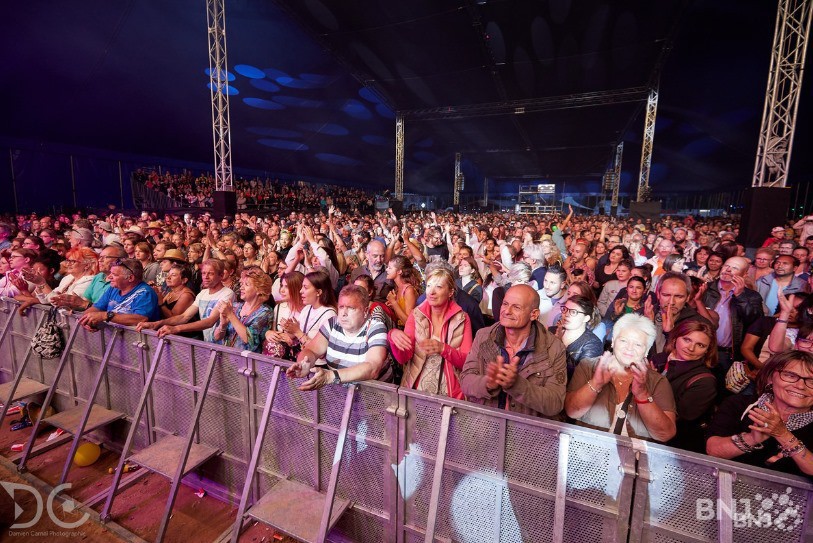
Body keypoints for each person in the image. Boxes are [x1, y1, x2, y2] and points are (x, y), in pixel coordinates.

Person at [565, 313, 677, 442]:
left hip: (633, 459)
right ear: (613, 341)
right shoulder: (588, 366)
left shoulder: (658, 382)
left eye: (638, 345)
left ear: (647, 350)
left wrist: (642, 394)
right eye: (623, 340)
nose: (629, 348)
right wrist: (596, 383)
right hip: (588, 454)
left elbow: (665, 435)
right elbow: (572, 412)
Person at [461, 284, 567, 418]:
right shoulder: (483, 336)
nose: (507, 311)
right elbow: (465, 382)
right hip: (485, 429)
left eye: (516, 307)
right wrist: (488, 383)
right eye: (505, 304)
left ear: (533, 314)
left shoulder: (554, 348)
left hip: (525, 435)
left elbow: (555, 403)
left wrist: (517, 385)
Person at [706, 351, 813, 477]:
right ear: (770, 378)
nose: (800, 386)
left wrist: (783, 435)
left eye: (811, 381)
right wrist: (751, 439)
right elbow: (712, 450)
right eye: (790, 375)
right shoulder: (738, 405)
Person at [389, 268, 473, 398]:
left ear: (450, 292)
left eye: (438, 287)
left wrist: (443, 348)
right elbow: (403, 358)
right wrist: (393, 337)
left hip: (451, 394)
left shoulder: (462, 318)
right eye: (428, 286)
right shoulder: (415, 315)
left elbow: (467, 362)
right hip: (417, 391)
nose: (431, 292)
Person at [286, 285, 389, 391]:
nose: (344, 313)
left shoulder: (375, 327)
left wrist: (330, 376)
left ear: (365, 311)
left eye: (351, 308)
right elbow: (311, 350)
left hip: (374, 398)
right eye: (341, 307)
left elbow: (373, 368)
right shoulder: (332, 323)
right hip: (341, 392)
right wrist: (304, 363)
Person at [650, 320, 718, 452]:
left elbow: (676, 420)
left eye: (700, 345)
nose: (691, 348)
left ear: (707, 351)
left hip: (672, 447)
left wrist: (651, 384)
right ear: (675, 338)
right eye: (687, 340)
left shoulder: (705, 382)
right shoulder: (658, 359)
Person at [701, 256, 764, 388]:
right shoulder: (706, 290)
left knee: (722, 391)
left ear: (744, 274)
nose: (728, 270)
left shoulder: (752, 296)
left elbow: (753, 322)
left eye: (735, 268)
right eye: (726, 266)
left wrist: (740, 296)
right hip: (701, 349)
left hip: (727, 354)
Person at [137, 258, 235, 341]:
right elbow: (184, 317)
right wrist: (156, 324)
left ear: (221, 275)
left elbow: (210, 321)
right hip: (208, 343)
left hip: (224, 344)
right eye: (204, 273)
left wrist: (176, 328)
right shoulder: (203, 293)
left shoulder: (227, 293)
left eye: (211, 274)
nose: (206, 277)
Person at [78, 258, 159, 329]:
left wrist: (105, 316)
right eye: (110, 273)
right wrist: (86, 320)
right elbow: (96, 308)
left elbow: (140, 319)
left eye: (114, 274)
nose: (109, 277)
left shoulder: (145, 293)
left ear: (130, 278)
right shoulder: (113, 288)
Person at [213, 266, 272, 352]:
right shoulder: (234, 306)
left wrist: (230, 315)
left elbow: (250, 340)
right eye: (242, 284)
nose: (241, 288)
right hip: (226, 360)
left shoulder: (265, 312)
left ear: (260, 290)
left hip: (248, 363)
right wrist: (223, 325)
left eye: (246, 285)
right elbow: (216, 337)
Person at [281, 269, 337, 356]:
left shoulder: (329, 315)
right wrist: (289, 328)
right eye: (302, 287)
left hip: (318, 366)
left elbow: (322, 353)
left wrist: (297, 331)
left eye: (305, 288)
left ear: (318, 292)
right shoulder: (307, 308)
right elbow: (293, 336)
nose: (301, 291)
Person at [553, 295, 603, 379]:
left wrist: (559, 346)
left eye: (573, 312)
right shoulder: (552, 331)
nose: (566, 314)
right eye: (565, 309)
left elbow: (580, 377)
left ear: (586, 318)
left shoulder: (593, 344)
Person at [262, 271, 305, 359]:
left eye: (287, 287)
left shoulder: (307, 310)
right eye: (282, 285)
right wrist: (268, 333)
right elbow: (275, 333)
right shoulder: (278, 307)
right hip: (277, 357)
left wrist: (293, 339)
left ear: (298, 288)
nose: (282, 290)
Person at [385, 255, 421, 328]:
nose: (386, 270)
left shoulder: (408, 290)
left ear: (399, 271)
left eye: (390, 268)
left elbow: (408, 322)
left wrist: (394, 302)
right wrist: (393, 306)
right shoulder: (397, 288)